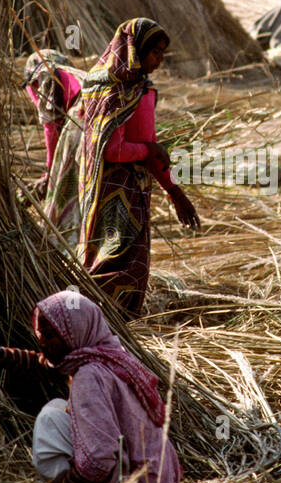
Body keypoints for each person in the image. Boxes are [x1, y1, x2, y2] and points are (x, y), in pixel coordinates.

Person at [0, 291, 182, 483]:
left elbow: (98, 464)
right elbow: (43, 364)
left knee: (51, 416)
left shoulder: (89, 377)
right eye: (42, 333)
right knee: (60, 409)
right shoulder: (110, 355)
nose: (42, 342)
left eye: (51, 336)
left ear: (75, 332)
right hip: (161, 480)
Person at [78, 18, 200, 316]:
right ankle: (99, 323)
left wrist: (174, 192)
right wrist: (152, 153)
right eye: (155, 52)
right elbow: (112, 149)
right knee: (116, 262)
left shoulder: (132, 88)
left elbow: (148, 147)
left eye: (162, 53)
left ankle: (101, 323)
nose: (159, 60)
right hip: (117, 194)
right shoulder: (114, 91)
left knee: (109, 259)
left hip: (114, 190)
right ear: (136, 49)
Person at [22, 49, 86, 237]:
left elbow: (52, 127)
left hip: (82, 121)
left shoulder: (45, 76)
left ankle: (58, 239)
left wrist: (50, 171)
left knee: (63, 189)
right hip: (98, 125)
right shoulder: (76, 74)